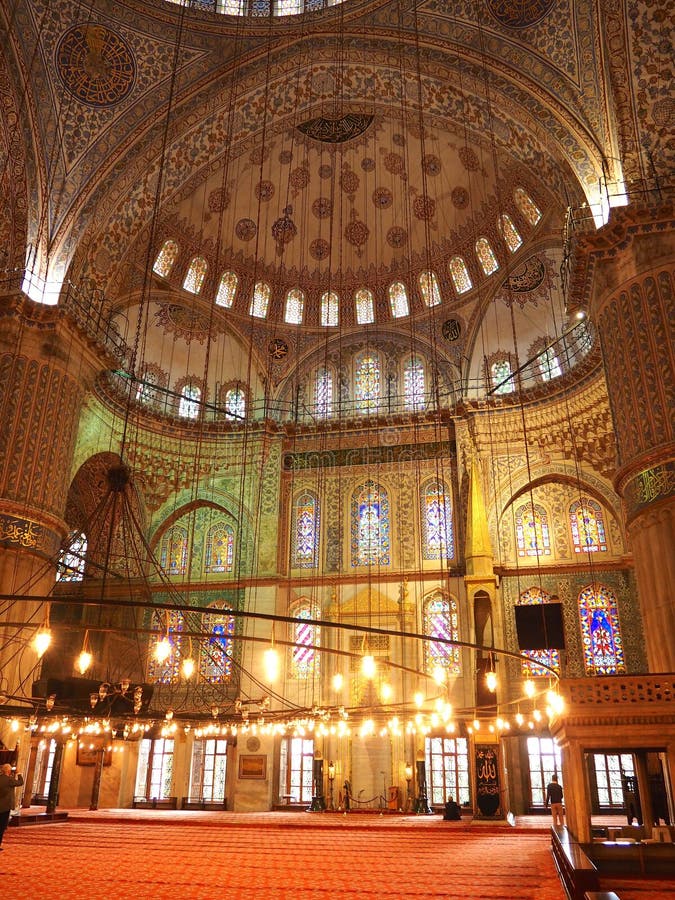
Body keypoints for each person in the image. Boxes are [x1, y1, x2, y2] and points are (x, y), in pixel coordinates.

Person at [0, 763, 24, 850]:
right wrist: (19, 773)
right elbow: (20, 782)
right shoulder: (9, 780)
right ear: (8, 770)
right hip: (5, 807)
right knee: (1, 827)